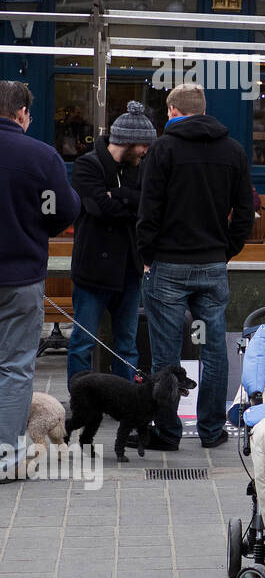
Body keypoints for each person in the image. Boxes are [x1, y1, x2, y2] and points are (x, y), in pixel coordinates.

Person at [137, 83, 254, 451]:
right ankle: (211, 429)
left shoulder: (162, 149)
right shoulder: (233, 151)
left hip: (168, 266)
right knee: (213, 348)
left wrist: (147, 253)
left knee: (166, 353)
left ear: (173, 110)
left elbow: (149, 209)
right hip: (211, 266)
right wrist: (227, 249)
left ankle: (168, 432)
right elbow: (245, 212)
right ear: (203, 110)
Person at [0, 81, 79, 479]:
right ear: (22, 114)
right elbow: (65, 210)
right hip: (20, 278)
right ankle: (5, 460)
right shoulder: (41, 156)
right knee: (14, 367)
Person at [67, 101, 156, 386]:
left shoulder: (138, 168)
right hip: (92, 270)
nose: (145, 152)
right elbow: (96, 207)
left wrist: (115, 195)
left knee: (127, 345)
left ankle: (126, 401)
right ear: (129, 142)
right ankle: (80, 397)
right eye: (143, 146)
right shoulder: (86, 164)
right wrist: (126, 199)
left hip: (128, 271)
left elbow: (145, 205)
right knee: (83, 342)